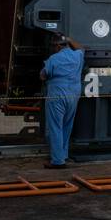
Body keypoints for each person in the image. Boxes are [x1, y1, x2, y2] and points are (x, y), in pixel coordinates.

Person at [40, 35, 84, 168]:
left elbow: (42, 76)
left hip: (57, 95)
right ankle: (63, 155)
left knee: (55, 127)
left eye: (54, 46)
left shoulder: (54, 58)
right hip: (74, 96)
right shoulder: (77, 56)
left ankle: (58, 161)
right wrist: (70, 39)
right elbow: (81, 48)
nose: (54, 49)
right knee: (67, 126)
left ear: (58, 46)